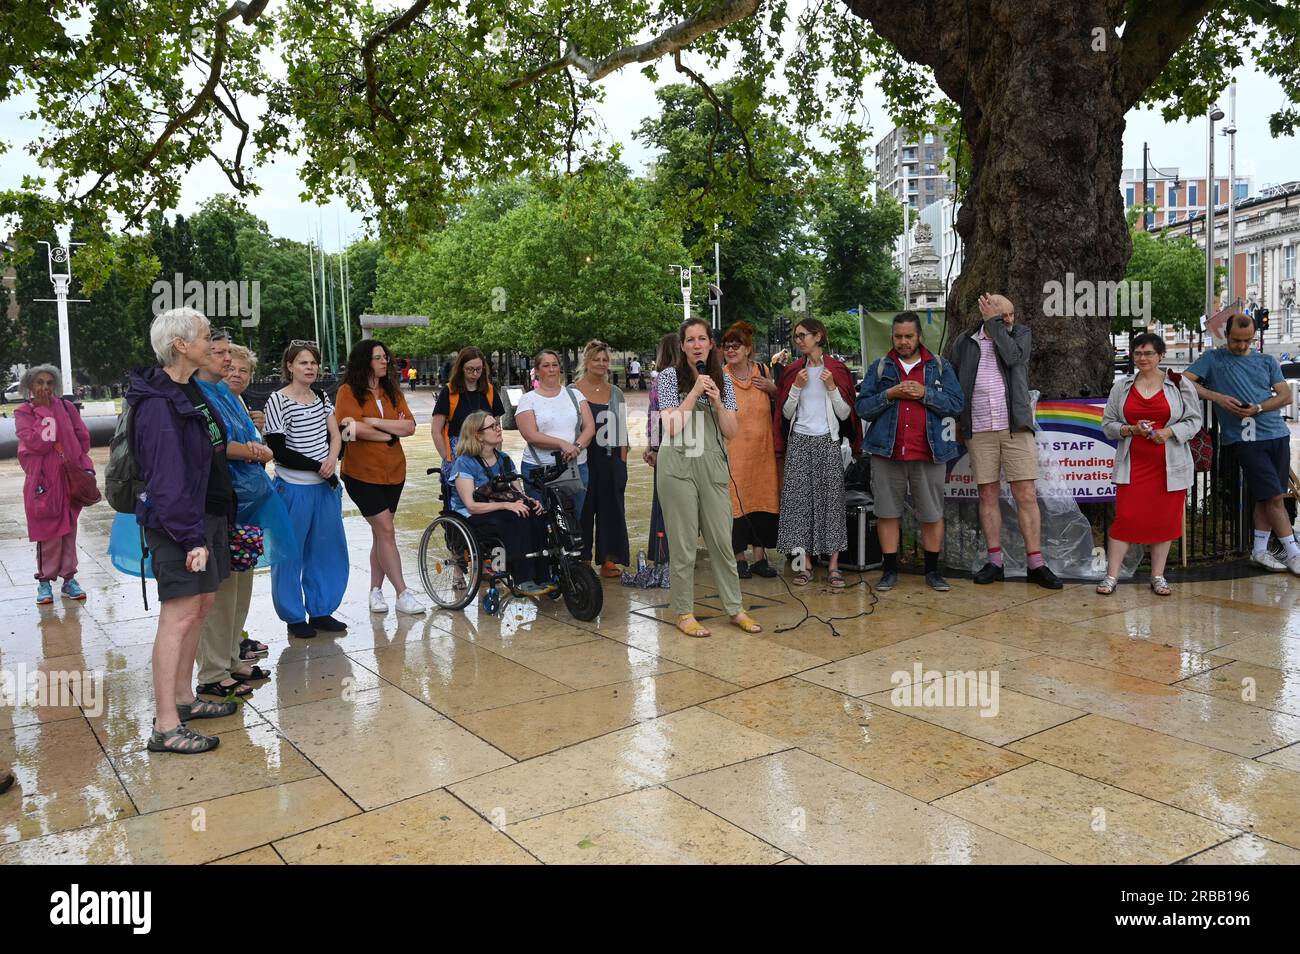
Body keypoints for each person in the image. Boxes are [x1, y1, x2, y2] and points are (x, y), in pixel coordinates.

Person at [130, 307, 238, 754]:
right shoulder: (157, 403)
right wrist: (190, 537)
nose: (211, 343)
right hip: (178, 523)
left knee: (201, 605)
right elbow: (167, 479)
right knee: (178, 615)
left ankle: (184, 698)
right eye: (205, 336)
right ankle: (165, 725)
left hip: (205, 514)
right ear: (180, 345)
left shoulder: (190, 389)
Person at [657, 317, 762, 637]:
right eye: (690, 340)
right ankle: (684, 611)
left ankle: (734, 608)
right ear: (682, 345)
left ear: (710, 344)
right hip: (677, 465)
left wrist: (716, 399)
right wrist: (694, 394)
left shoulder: (723, 380)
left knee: (721, 541)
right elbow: (671, 426)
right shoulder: (667, 378)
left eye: (702, 339)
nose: (697, 345)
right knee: (684, 544)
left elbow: (730, 431)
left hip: (712, 462)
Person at [192, 332, 283, 697]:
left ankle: (230, 657)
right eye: (220, 353)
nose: (229, 362)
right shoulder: (199, 395)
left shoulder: (227, 398)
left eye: (233, 356)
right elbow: (219, 446)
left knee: (239, 582)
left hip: (242, 504)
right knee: (221, 588)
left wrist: (257, 449)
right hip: (219, 504)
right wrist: (253, 452)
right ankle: (213, 669)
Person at [952, 292, 1062, 589]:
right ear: (986, 313)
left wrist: (996, 325)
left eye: (1012, 314)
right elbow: (954, 378)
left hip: (1015, 426)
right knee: (987, 494)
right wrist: (959, 419)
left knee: (1025, 493)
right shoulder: (965, 341)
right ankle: (995, 561)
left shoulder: (1021, 335)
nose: (1010, 320)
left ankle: (1036, 563)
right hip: (980, 427)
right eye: (1004, 315)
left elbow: (1013, 358)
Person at [856, 312, 965, 592]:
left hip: (929, 452)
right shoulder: (880, 367)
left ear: (919, 337)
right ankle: (889, 571)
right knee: (887, 513)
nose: (903, 342)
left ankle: (932, 571)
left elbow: (956, 404)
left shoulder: (939, 367)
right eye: (898, 336)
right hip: (886, 452)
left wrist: (925, 393)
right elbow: (862, 408)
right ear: (892, 336)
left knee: (931, 513)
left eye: (908, 336)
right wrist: (889, 394)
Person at [1184, 311, 1299, 574]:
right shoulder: (1213, 359)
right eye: (1237, 340)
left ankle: (1260, 550)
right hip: (1246, 439)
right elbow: (1184, 383)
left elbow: (1285, 396)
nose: (1242, 345)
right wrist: (1217, 397)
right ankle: (1293, 553)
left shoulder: (1267, 361)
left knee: (1268, 496)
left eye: (1248, 340)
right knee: (1274, 497)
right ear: (1226, 336)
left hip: (1276, 433)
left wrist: (1258, 407)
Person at [1096, 333, 1202, 595]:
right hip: (1133, 464)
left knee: (1164, 521)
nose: (1143, 358)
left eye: (1148, 353)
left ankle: (1157, 576)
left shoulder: (1178, 384)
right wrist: (1131, 429)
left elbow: (1193, 421)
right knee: (1125, 519)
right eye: (1138, 354)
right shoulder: (1122, 387)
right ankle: (1112, 576)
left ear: (1160, 356)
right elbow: (1108, 425)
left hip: (1170, 466)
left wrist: (1169, 432)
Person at [264, 340, 349, 637]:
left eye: (313, 362)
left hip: (324, 488)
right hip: (293, 488)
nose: (310, 367)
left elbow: (335, 434)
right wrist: (318, 467)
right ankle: (293, 615)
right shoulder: (277, 400)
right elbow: (278, 450)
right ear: (290, 366)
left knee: (326, 551)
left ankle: (321, 610)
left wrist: (330, 459)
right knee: (289, 554)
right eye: (303, 362)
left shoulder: (322, 397)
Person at [334, 338, 424, 615]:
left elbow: (409, 426)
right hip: (361, 474)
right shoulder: (348, 391)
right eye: (378, 357)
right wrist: (387, 433)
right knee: (386, 530)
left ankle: (375, 591)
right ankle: (402, 592)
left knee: (381, 533)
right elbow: (349, 430)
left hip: (394, 471)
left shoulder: (392, 392)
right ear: (365, 361)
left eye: (386, 356)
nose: (385, 361)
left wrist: (372, 422)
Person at [773, 319, 862, 587]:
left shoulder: (836, 370)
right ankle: (805, 566)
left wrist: (833, 388)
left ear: (818, 336)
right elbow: (785, 414)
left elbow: (846, 414)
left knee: (831, 504)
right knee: (799, 505)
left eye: (803, 336)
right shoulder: (792, 372)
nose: (798, 341)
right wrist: (797, 388)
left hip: (827, 441)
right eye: (796, 336)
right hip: (799, 441)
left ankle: (833, 565)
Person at [445, 411, 553, 594]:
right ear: (478, 435)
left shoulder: (503, 459)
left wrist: (530, 501)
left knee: (535, 513)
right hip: (472, 515)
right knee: (512, 519)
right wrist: (506, 505)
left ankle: (543, 575)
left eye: (497, 425)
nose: (498, 428)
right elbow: (471, 505)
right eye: (492, 426)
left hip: (500, 507)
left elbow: (517, 492)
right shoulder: (464, 463)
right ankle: (522, 577)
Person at [15, 365, 94, 605]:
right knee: (47, 534)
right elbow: (39, 444)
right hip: (43, 482)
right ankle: (45, 581)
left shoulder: (68, 409)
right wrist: (44, 413)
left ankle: (69, 578)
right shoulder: (24, 413)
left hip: (69, 479)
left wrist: (85, 467)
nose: (45, 388)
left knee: (69, 530)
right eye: (39, 382)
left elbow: (82, 440)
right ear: (30, 386)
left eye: (50, 383)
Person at [720, 321, 780, 579]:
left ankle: (760, 557)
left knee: (763, 502)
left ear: (748, 349)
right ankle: (738, 558)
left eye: (737, 345)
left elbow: (782, 400)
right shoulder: (721, 376)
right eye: (727, 346)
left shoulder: (763, 370)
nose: (731, 350)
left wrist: (773, 389)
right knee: (736, 505)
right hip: (734, 452)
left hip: (763, 452)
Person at [223, 344, 272, 659]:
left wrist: (260, 433)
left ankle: (236, 639)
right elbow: (224, 445)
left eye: (243, 370)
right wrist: (258, 450)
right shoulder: (217, 399)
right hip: (231, 500)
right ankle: (228, 646)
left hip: (248, 501)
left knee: (244, 570)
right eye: (231, 369)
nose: (236, 375)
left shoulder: (238, 401)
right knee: (231, 578)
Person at [515, 349, 596, 521]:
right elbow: (531, 435)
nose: (551, 369)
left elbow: (589, 427)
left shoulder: (575, 395)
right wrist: (562, 444)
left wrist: (577, 447)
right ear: (537, 371)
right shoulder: (528, 399)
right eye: (546, 365)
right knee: (542, 523)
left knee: (572, 523)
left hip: (575, 467)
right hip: (539, 470)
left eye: (555, 365)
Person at [574, 340, 630, 577]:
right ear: (586, 361)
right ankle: (582, 557)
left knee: (611, 509)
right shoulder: (572, 391)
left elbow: (622, 432)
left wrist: (622, 464)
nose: (601, 363)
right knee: (583, 509)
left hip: (610, 459)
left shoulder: (615, 393)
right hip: (582, 460)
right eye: (596, 359)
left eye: (605, 360)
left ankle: (609, 558)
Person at [431, 346, 504, 470]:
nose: (475, 373)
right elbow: (435, 430)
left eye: (479, 369)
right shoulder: (449, 392)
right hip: (458, 454)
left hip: (487, 454)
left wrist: (497, 457)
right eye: (470, 369)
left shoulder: (490, 391)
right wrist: (447, 459)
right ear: (461, 368)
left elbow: (496, 428)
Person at [643, 333, 681, 566]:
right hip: (682, 445)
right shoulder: (680, 378)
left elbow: (654, 416)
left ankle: (662, 553)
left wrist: (653, 446)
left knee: (664, 502)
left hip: (667, 444)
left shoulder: (661, 380)